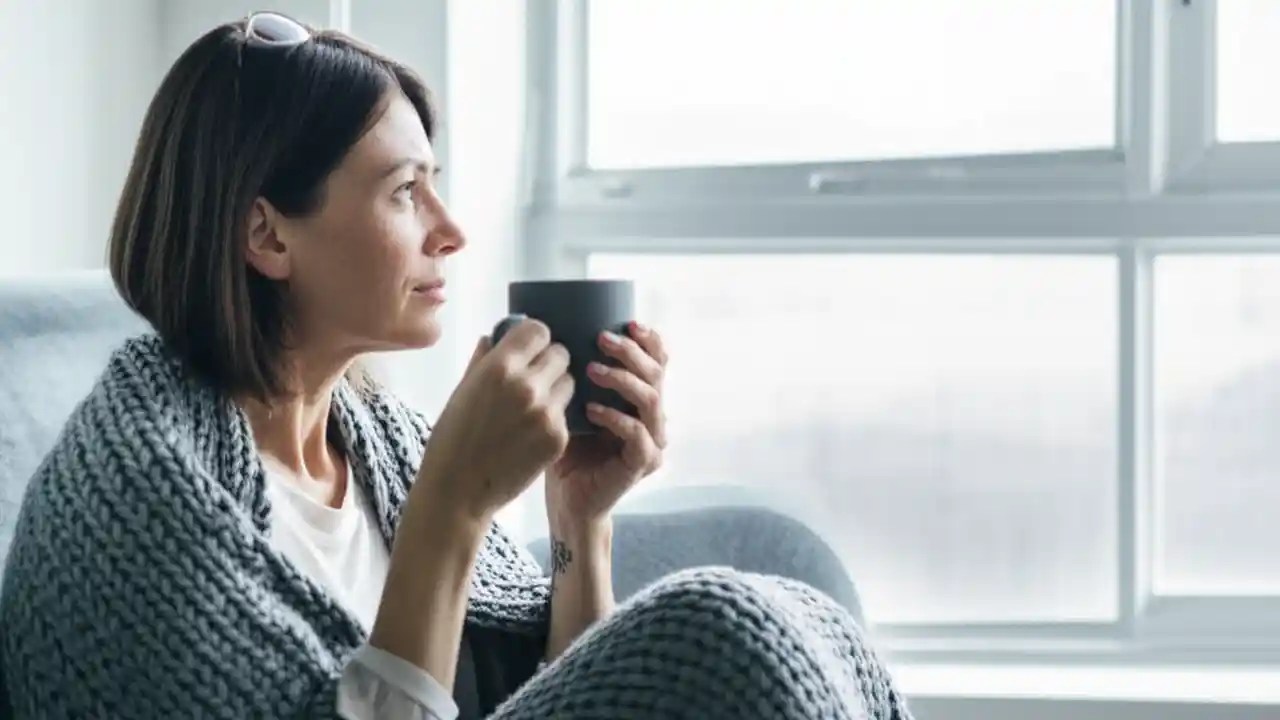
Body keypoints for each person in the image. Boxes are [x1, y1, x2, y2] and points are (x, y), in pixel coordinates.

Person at [0, 12, 911, 720]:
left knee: (780, 616)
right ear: (267, 233)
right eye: (405, 191)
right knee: (721, 630)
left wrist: (577, 517)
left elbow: (566, 697)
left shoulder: (377, 436)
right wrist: (452, 506)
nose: (451, 227)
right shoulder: (140, 494)